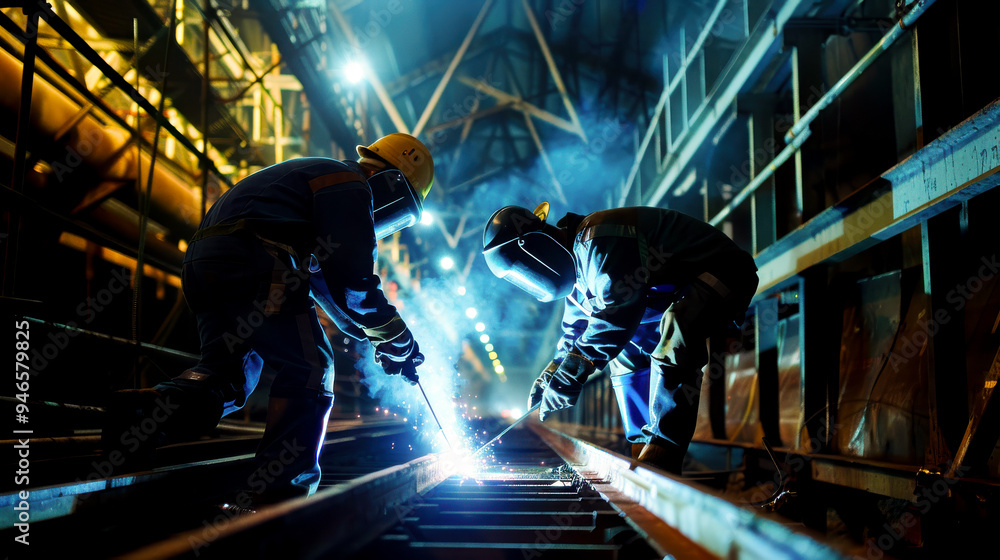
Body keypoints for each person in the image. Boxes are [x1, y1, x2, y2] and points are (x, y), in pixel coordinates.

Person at [103, 133, 434, 506]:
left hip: (207, 263)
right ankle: (280, 493)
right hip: (253, 258)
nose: (388, 221)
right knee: (311, 367)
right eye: (402, 211)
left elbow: (332, 291)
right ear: (392, 182)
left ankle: (139, 416)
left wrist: (382, 338)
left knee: (225, 377)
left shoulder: (318, 181)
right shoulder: (349, 184)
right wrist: (394, 333)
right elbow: (352, 278)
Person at [482, 203, 758, 474]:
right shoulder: (577, 270)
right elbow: (576, 328)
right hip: (673, 291)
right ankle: (642, 445)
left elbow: (617, 313)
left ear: (533, 249)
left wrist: (572, 373)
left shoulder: (597, 241)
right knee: (623, 357)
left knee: (678, 330)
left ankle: (663, 452)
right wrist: (553, 369)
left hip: (724, 272)